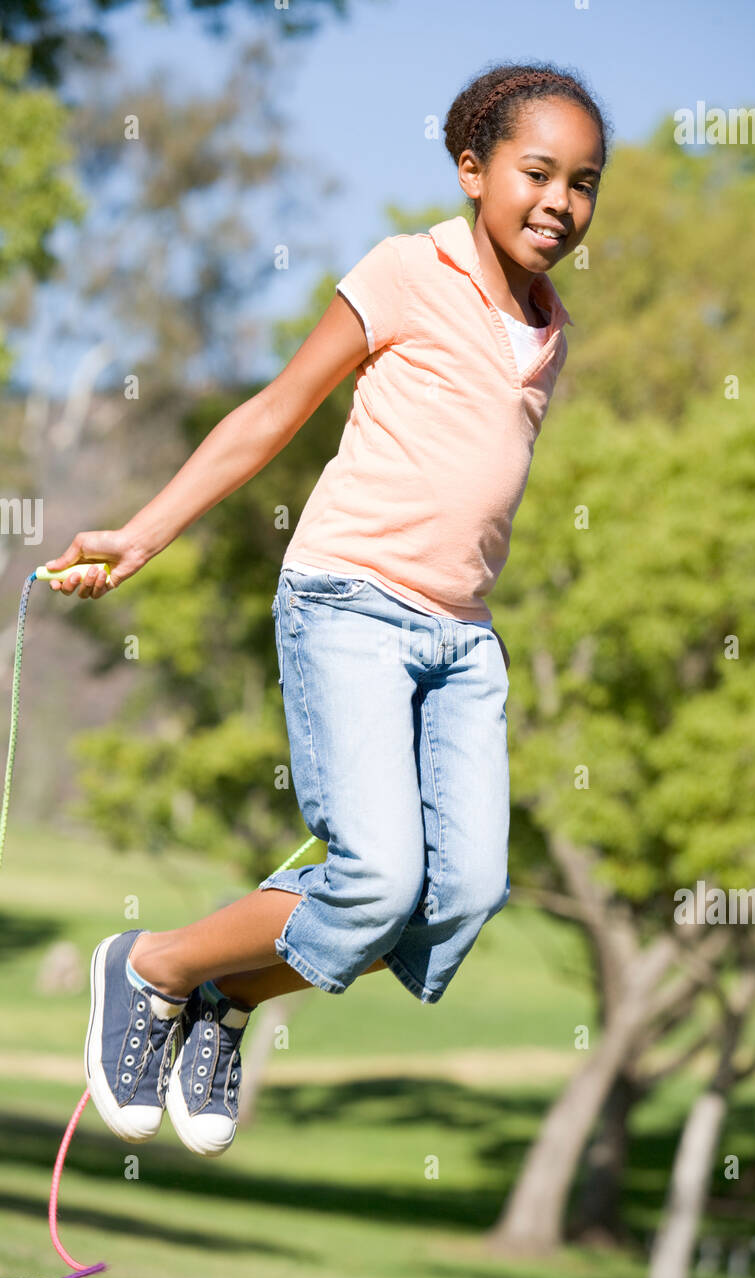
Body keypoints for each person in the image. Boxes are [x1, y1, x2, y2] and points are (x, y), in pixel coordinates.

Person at [49, 60, 611, 1158]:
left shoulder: (549, 329)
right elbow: (274, 411)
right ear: (470, 169)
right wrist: (145, 533)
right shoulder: (407, 270)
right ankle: (153, 965)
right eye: (535, 172)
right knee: (375, 876)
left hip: (462, 640)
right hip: (350, 598)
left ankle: (225, 997)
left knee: (460, 894)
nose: (559, 201)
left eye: (583, 183)